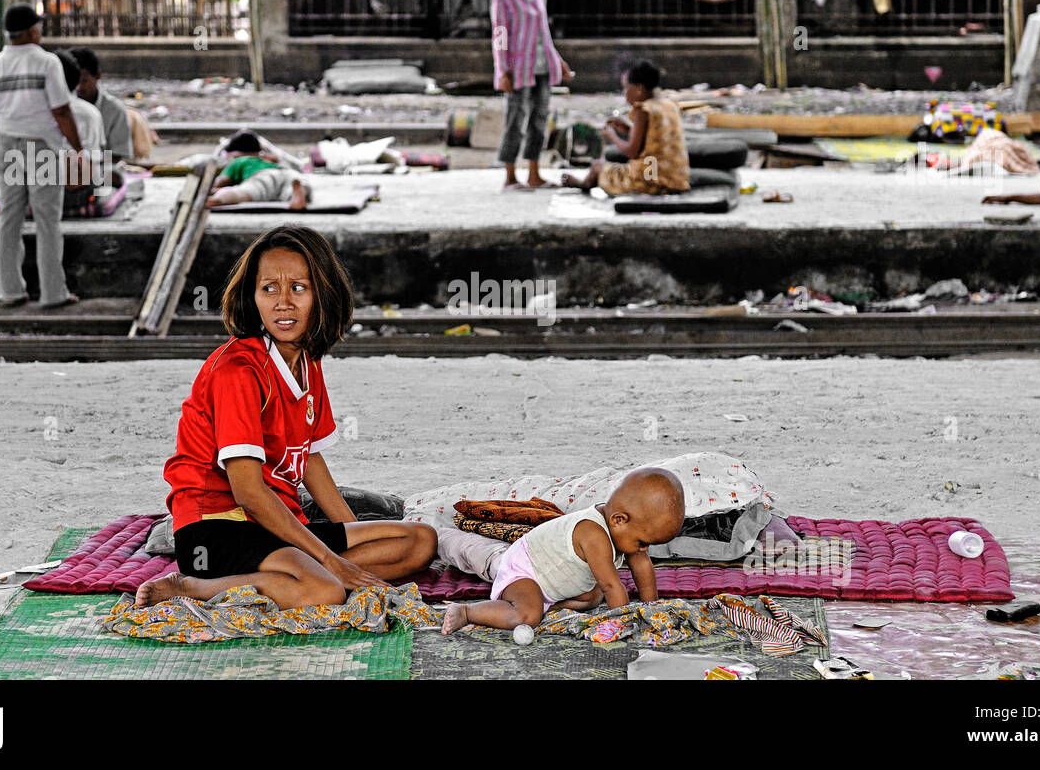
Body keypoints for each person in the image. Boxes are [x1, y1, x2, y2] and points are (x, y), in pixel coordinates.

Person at [136, 226, 437, 609]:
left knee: (419, 541)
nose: (283, 303)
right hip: (219, 528)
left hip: (278, 526)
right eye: (269, 289)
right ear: (253, 297)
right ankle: (192, 586)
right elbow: (248, 492)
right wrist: (333, 563)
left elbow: (308, 457)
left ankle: (300, 574)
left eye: (298, 288)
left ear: (322, 294)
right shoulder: (237, 371)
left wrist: (348, 531)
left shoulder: (308, 361)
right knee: (325, 590)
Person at [441, 467, 686, 634]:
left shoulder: (626, 528)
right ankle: (466, 612)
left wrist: (652, 609)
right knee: (527, 616)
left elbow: (642, 565)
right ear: (619, 520)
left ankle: (551, 605)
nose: (644, 549)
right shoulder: (593, 534)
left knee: (593, 596)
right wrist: (622, 625)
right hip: (527, 571)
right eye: (643, 542)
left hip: (558, 580)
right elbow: (614, 586)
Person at [0, 3, 83, 308]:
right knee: (47, 220)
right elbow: (62, 110)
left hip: (7, 145)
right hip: (42, 147)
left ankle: (10, 291)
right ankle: (53, 293)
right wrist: (78, 150)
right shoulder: (47, 63)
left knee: (9, 219)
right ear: (33, 30)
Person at [490, 0, 574, 191]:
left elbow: (543, 33)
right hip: (517, 70)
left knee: (539, 120)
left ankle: (534, 173)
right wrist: (503, 71)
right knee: (514, 120)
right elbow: (500, 36)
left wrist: (558, 61)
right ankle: (510, 175)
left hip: (542, 67)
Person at [562, 59, 690, 195]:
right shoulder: (668, 104)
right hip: (676, 180)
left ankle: (584, 184)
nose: (625, 93)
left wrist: (613, 136)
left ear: (639, 88)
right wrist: (629, 130)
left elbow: (632, 152)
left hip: (649, 181)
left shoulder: (643, 110)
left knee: (598, 166)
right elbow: (652, 139)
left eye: (626, 88)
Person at [68, 46, 132, 187]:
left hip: (101, 167)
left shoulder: (115, 110)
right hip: (70, 166)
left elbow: (117, 154)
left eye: (84, 80)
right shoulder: (64, 108)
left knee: (113, 176)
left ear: (97, 75)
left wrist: (90, 164)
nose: (79, 87)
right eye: (76, 81)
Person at [53, 51, 106, 213]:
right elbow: (99, 155)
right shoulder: (90, 112)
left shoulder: (31, 111)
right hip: (78, 193)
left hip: (39, 193)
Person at [206, 130, 311, 209]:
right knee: (294, 187)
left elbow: (221, 182)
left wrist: (214, 190)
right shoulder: (268, 159)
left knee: (243, 192)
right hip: (287, 172)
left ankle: (217, 200)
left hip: (264, 177)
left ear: (235, 153)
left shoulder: (238, 161)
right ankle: (298, 193)